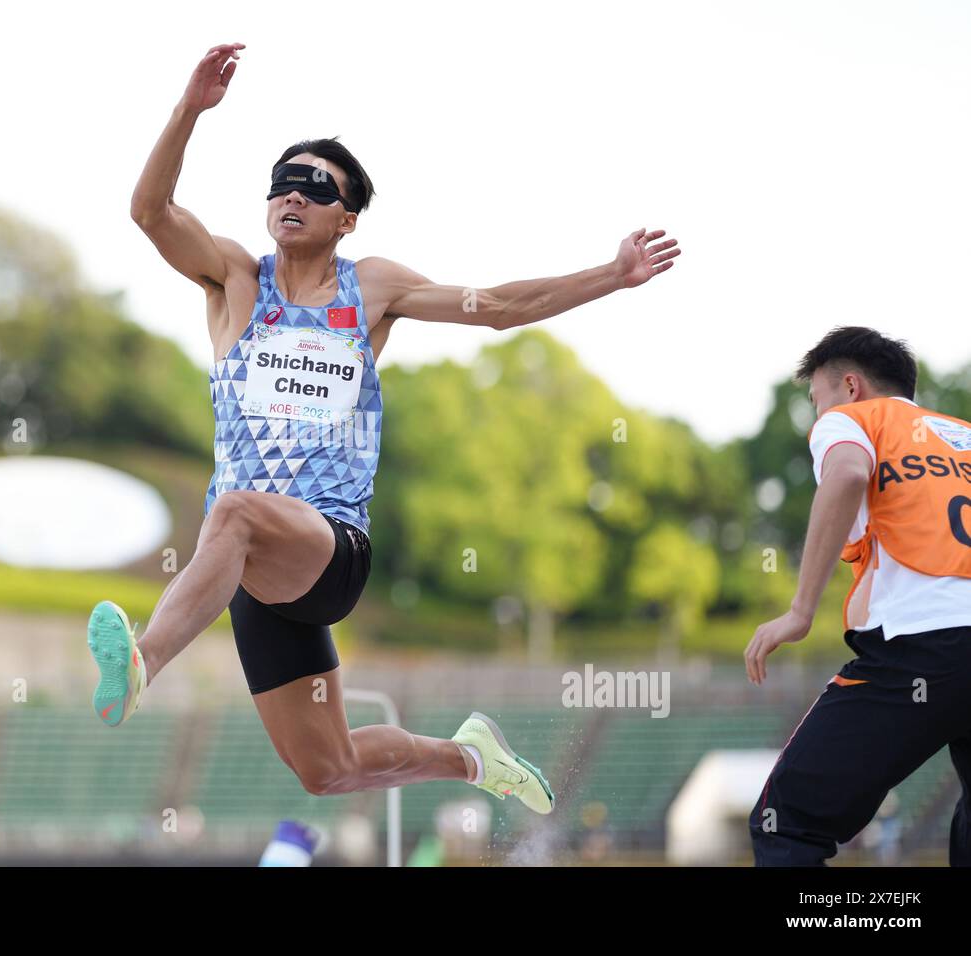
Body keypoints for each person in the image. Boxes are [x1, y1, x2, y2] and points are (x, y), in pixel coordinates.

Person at [89, 42, 681, 814]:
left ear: (348, 216)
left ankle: (141, 663)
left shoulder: (371, 288)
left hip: (331, 546)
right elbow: (150, 212)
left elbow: (497, 308)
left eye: (313, 186)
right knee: (326, 767)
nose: (291, 196)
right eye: (280, 184)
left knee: (229, 511)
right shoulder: (233, 277)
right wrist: (188, 112)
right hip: (247, 571)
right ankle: (473, 758)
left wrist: (612, 274)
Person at [745, 327, 971, 866]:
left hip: (926, 646)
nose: (816, 416)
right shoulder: (963, 434)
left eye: (816, 400)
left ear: (850, 386)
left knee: (787, 821)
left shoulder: (852, 420)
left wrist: (800, 611)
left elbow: (845, 473)